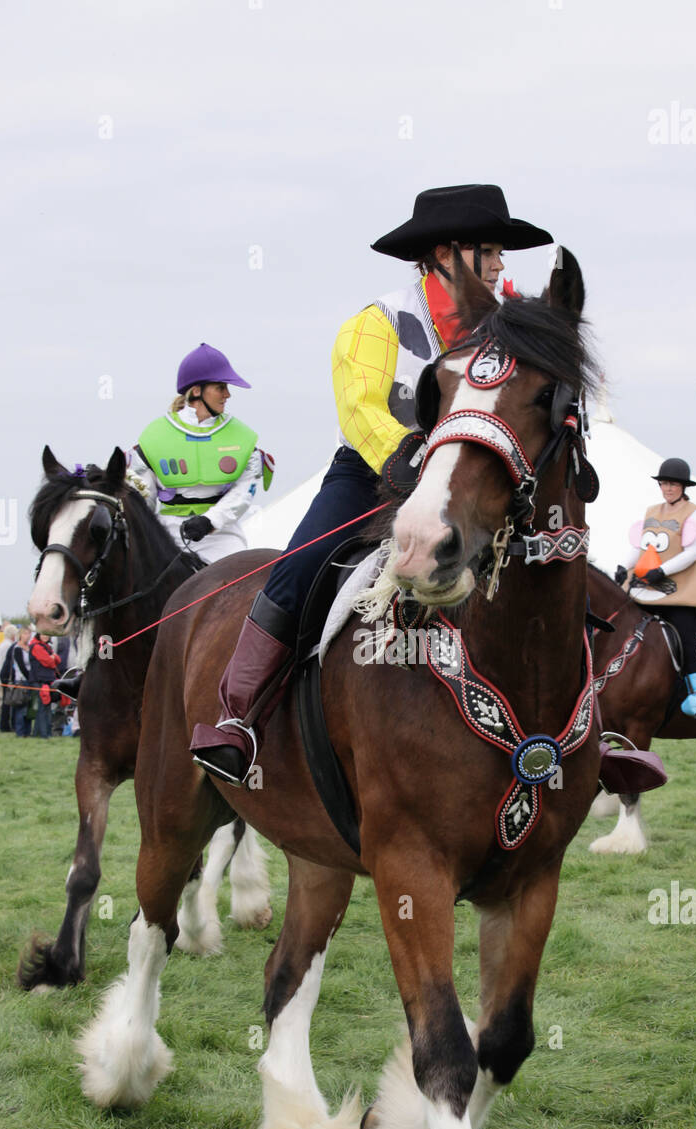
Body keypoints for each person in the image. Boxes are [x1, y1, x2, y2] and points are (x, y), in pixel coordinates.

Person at [190, 183, 553, 784]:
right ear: (446, 255)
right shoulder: (376, 322)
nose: (499, 264)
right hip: (378, 475)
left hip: (476, 479)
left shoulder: (512, 325)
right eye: (489, 250)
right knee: (298, 569)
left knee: (555, 553)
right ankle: (236, 718)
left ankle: (593, 724)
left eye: (498, 253)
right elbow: (359, 409)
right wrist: (410, 455)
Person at [127, 343, 275, 564]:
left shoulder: (243, 438)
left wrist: (209, 521)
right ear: (197, 391)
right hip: (166, 534)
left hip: (222, 536)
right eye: (220, 387)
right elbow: (143, 496)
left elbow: (243, 492)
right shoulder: (154, 436)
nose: (227, 394)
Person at [614, 458, 696, 718]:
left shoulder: (694, 512)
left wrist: (661, 571)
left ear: (683, 486)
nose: (667, 488)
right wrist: (622, 565)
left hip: (680, 589)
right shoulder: (652, 510)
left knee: (688, 636)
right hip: (646, 586)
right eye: (664, 483)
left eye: (672, 484)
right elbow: (640, 546)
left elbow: (694, 551)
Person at [2, 625, 34, 737]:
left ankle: (27, 731)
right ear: (20, 635)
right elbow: (21, 666)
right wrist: (30, 677)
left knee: (29, 708)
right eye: (25, 633)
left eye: (29, 633)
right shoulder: (17, 648)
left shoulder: (30, 648)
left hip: (30, 681)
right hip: (21, 681)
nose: (27, 636)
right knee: (21, 707)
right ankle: (20, 732)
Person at [29, 630, 61, 737]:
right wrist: (52, 657)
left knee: (45, 707)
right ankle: (44, 734)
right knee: (43, 707)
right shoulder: (37, 647)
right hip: (40, 681)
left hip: (47, 680)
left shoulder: (46, 646)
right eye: (43, 634)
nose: (45, 636)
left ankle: (39, 733)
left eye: (47, 634)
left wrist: (53, 658)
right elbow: (49, 662)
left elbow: (58, 660)